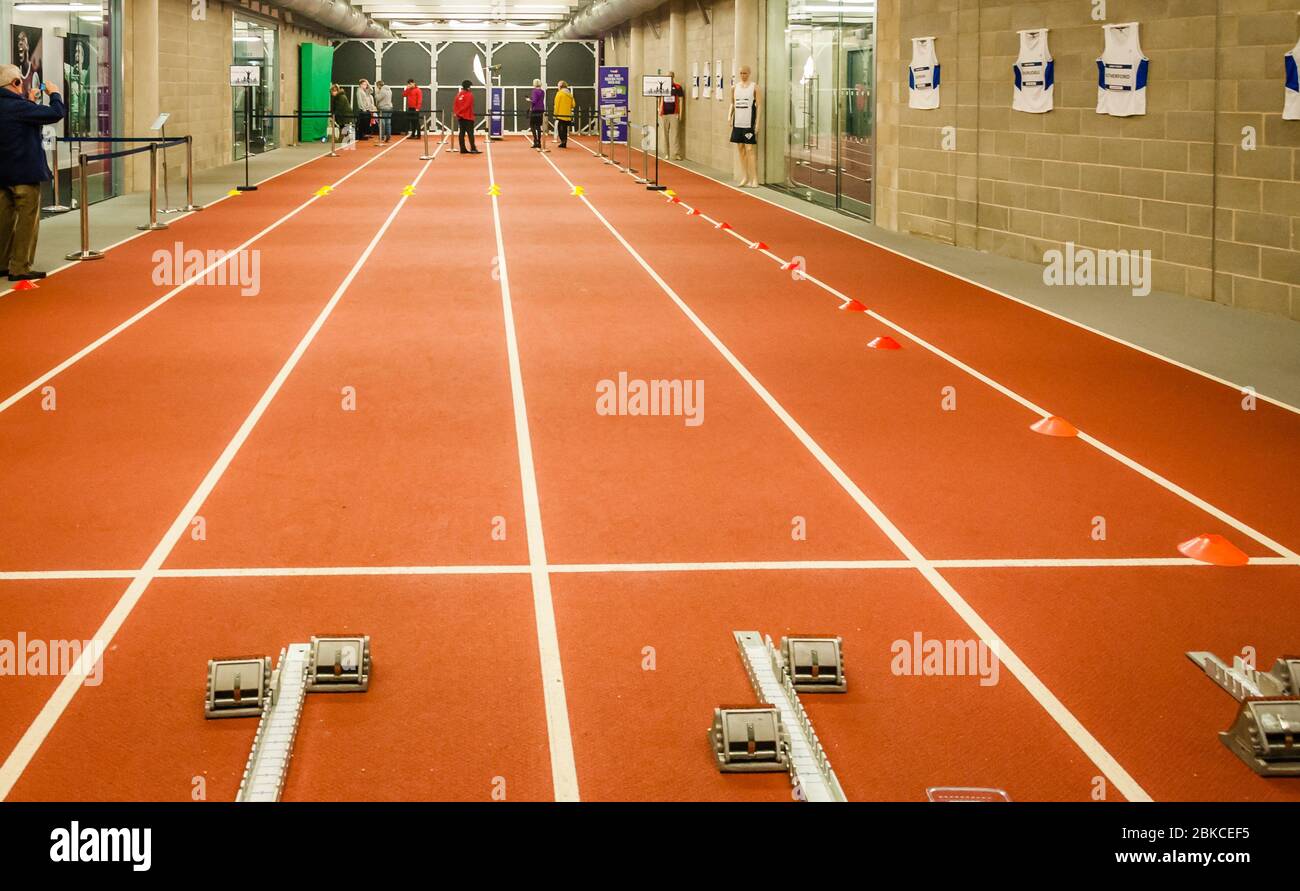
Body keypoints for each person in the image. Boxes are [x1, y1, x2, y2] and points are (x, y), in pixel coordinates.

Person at [0, 65, 66, 281]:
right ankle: (20, 266)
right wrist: (54, 93)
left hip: (3, 174)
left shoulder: (15, 106)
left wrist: (29, 101)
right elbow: (56, 113)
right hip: (24, 174)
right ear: (16, 83)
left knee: (4, 221)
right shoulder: (18, 107)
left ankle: (2, 263)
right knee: (27, 221)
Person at [729, 65, 761, 187]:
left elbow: (759, 106)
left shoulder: (755, 87)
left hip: (749, 123)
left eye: (745, 73)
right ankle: (745, 177)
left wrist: (757, 122)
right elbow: (732, 103)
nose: (743, 75)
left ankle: (754, 178)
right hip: (738, 122)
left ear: (749, 73)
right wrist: (729, 116)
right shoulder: (734, 87)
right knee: (741, 149)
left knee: (750, 149)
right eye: (741, 73)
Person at [658, 72, 685, 160]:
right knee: (665, 134)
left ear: (673, 77)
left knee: (675, 135)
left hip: (674, 114)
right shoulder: (662, 87)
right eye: (667, 76)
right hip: (664, 114)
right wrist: (659, 110)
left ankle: (676, 154)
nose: (668, 77)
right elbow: (660, 99)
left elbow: (681, 101)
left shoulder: (677, 87)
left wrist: (681, 114)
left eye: (670, 76)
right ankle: (666, 153)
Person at [453, 80, 480, 154]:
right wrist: (459, 112)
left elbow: (455, 104)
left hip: (460, 117)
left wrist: (457, 113)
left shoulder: (459, 94)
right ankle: (473, 148)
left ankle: (463, 149)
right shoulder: (469, 94)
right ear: (468, 87)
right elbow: (467, 105)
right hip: (468, 117)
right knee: (470, 133)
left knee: (461, 133)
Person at [552, 80, 574, 148]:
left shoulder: (559, 93)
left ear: (560, 86)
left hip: (560, 115)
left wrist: (555, 114)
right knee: (565, 129)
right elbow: (573, 104)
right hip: (567, 115)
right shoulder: (569, 94)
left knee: (560, 129)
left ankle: (563, 141)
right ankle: (564, 142)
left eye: (558, 86)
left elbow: (556, 105)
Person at [528, 78, 545, 149]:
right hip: (541, 109)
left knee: (532, 125)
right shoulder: (542, 91)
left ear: (534, 84)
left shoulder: (534, 91)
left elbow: (534, 101)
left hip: (535, 110)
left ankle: (535, 141)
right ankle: (539, 142)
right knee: (538, 126)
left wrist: (529, 100)